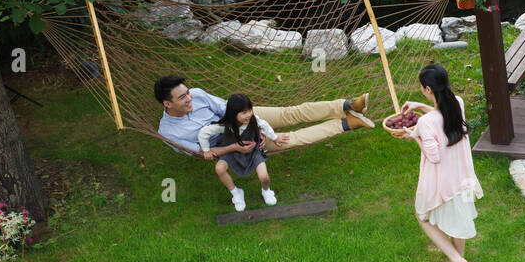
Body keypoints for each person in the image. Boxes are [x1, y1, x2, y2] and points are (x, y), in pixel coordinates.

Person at [393, 64, 484, 262]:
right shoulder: (458, 103)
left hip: (442, 181)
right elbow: (441, 113)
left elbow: (434, 157)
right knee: (458, 222)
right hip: (462, 177)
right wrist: (421, 106)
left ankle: (456, 259)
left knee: (422, 216)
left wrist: (414, 137)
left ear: (427, 89)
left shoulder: (425, 123)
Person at [155, 74, 374, 159]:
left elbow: (225, 108)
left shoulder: (199, 95)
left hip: (239, 116)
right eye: (183, 97)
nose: (190, 98)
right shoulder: (167, 132)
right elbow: (202, 153)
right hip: (232, 144)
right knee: (292, 138)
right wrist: (237, 145)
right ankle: (348, 123)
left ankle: (347, 104)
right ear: (167, 103)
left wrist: (251, 125)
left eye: (188, 93)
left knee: (291, 113)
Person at [196, 93, 279, 211]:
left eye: (250, 110)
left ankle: (266, 190)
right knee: (219, 168)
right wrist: (206, 150)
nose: (249, 114)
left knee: (264, 177)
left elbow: (264, 125)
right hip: (231, 152)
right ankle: (236, 192)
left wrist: (275, 138)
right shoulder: (226, 126)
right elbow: (204, 133)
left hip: (252, 152)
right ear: (233, 114)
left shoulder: (253, 120)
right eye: (244, 112)